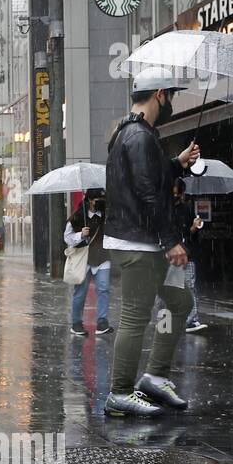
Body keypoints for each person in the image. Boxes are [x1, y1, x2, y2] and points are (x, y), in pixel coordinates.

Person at [102, 71, 201, 418]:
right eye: (171, 95)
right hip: (139, 242)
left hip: (139, 240)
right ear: (160, 94)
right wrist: (172, 240)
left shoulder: (131, 133)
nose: (172, 102)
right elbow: (147, 194)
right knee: (134, 317)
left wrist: (177, 164)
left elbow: (148, 180)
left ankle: (154, 377)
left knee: (180, 301)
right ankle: (120, 392)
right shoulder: (139, 136)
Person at [64, 188, 111, 337]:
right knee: (80, 292)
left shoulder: (107, 216)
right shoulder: (77, 217)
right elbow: (67, 238)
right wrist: (81, 235)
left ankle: (102, 321)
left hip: (103, 258)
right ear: (90, 201)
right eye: (97, 200)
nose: (100, 203)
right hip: (83, 260)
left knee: (103, 289)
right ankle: (76, 323)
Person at [172, 179, 207, 332]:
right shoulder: (161, 209)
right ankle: (165, 322)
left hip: (186, 253)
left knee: (189, 286)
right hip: (167, 254)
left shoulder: (186, 209)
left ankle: (191, 320)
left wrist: (194, 227)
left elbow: (189, 234)